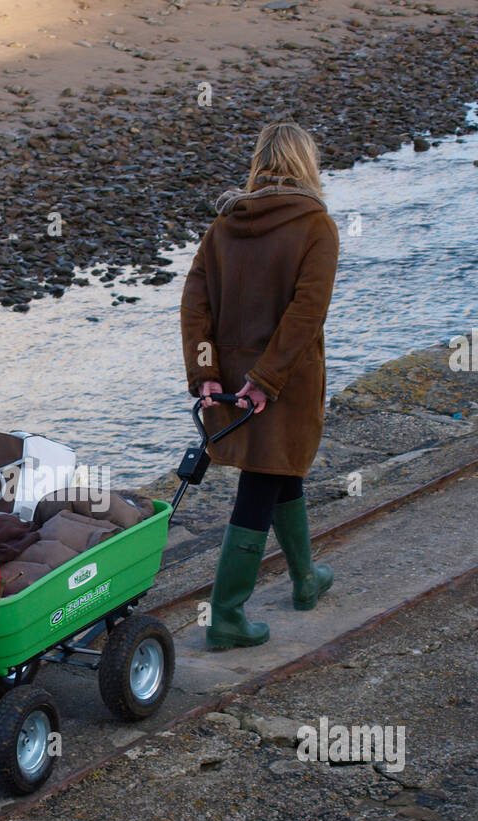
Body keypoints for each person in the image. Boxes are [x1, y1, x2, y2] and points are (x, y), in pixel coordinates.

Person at [180, 120, 338, 651]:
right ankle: (225, 615)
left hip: (232, 384)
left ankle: (304, 579)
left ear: (260, 162)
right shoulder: (316, 225)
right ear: (305, 164)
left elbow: (194, 304)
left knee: (279, 467)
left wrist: (206, 374)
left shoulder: (224, 224)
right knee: (261, 482)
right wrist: (266, 381)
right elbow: (306, 314)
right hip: (282, 382)